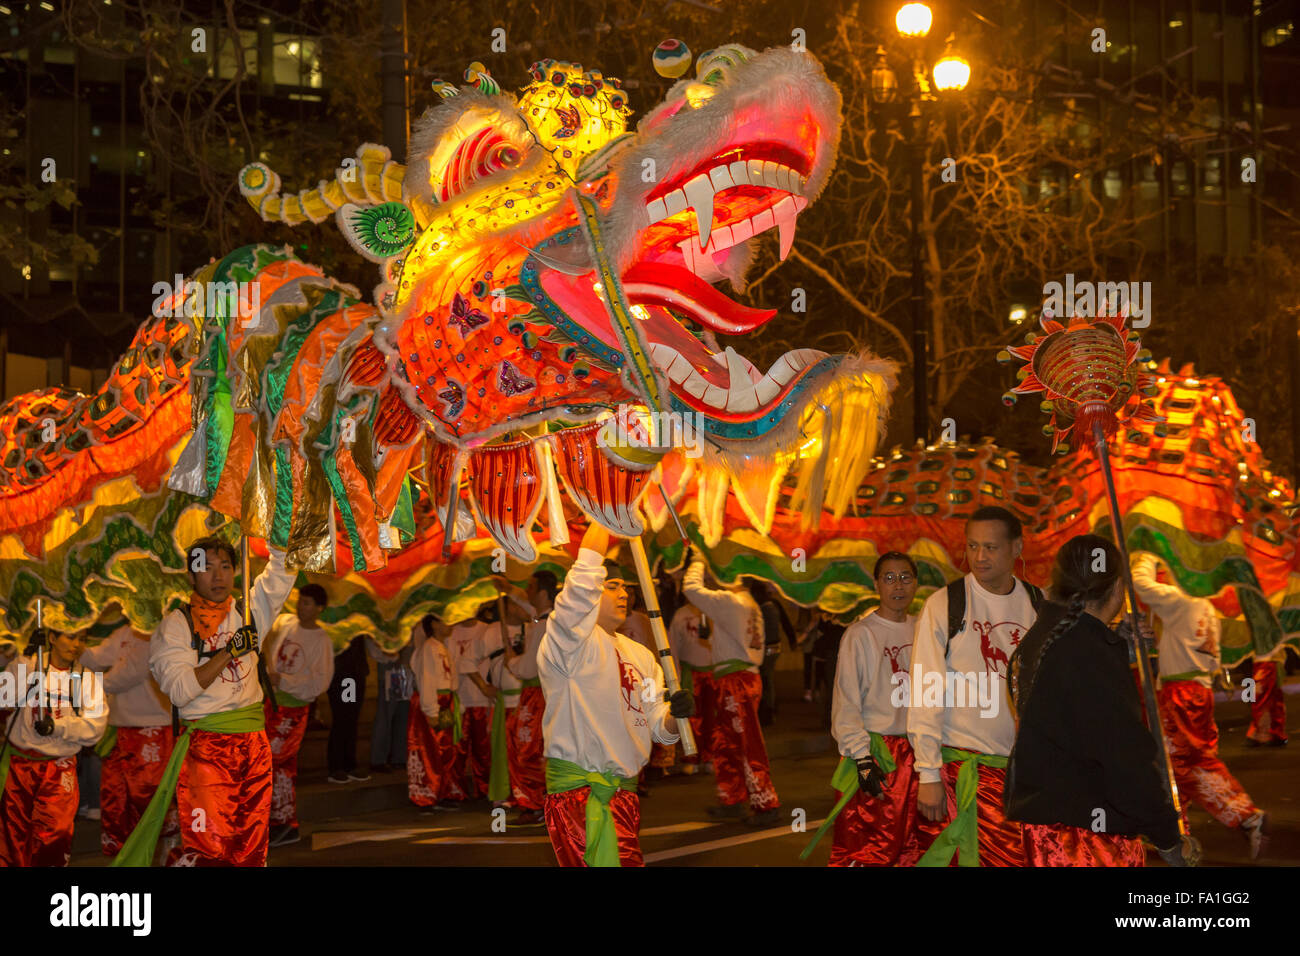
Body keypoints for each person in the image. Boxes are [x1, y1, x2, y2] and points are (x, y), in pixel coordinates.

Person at [1005, 535, 1196, 867]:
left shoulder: (1042, 638)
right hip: (1086, 839)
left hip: (1046, 828)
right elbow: (1124, 760)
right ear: (1118, 586)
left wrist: (1114, 642)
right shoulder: (1085, 652)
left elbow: (1072, 710)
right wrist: (1167, 838)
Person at [115, 537, 296, 867]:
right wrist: (229, 652)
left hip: (254, 745)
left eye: (225, 567)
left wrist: (282, 527)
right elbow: (181, 691)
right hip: (207, 750)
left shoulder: (248, 611)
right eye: (206, 568)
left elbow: (284, 569)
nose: (218, 576)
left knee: (252, 848)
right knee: (211, 849)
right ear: (191, 577)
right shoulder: (176, 626)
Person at [538, 522, 693, 866]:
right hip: (581, 796)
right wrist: (605, 515)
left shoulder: (642, 656)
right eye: (612, 586)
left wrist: (675, 717)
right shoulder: (569, 643)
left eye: (626, 587)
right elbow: (578, 593)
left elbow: (659, 731)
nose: (624, 594)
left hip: (625, 794)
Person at [907, 506, 1043, 867]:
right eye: (972, 546)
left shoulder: (1039, 604)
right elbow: (925, 691)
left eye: (990, 547)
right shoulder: (946, 603)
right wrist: (929, 774)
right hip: (965, 777)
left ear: (1017, 547)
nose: (979, 557)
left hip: (1025, 778)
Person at [1131, 551, 1269, 858]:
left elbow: (1140, 584)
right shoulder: (1204, 602)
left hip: (1182, 692)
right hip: (1197, 690)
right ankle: (1176, 830)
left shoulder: (1179, 597)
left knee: (1187, 763)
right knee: (1178, 762)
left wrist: (1146, 555)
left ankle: (1245, 815)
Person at [803, 552, 924, 866]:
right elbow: (846, 702)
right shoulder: (861, 634)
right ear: (876, 584)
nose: (898, 585)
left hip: (920, 755)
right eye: (889, 578)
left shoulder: (924, 630)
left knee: (913, 847)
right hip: (878, 753)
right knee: (870, 848)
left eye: (905, 577)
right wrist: (862, 758)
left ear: (916, 584)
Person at [683, 555, 781, 826]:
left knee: (746, 742)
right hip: (737, 678)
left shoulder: (730, 601)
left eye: (715, 573)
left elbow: (690, 588)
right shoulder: (747, 602)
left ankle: (766, 803)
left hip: (736, 681)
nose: (711, 579)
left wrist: (700, 560)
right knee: (725, 741)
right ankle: (733, 798)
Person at [0, 628, 107, 866]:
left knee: (55, 837)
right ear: (52, 638)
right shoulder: (28, 666)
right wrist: (23, 660)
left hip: (59, 768)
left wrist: (58, 727)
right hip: (19, 766)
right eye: (70, 637)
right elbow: (4, 699)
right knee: (12, 837)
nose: (76, 644)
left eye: (82, 638)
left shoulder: (87, 678)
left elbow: (95, 729)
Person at [78, 608, 176, 856]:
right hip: (122, 728)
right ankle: (129, 853)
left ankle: (167, 845)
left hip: (152, 728)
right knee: (117, 798)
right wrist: (73, 646)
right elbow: (96, 656)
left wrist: (86, 683)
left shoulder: (154, 632)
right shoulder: (125, 632)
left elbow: (129, 674)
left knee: (149, 794)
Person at [263, 583, 335, 847]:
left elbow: (320, 683)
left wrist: (284, 681)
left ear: (319, 609)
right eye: (300, 600)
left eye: (307, 603)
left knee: (279, 764)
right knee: (266, 763)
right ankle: (270, 819)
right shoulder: (287, 623)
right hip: (271, 704)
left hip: (292, 710)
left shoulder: (321, 640)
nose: (301, 606)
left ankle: (285, 822)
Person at [500, 571, 555, 825]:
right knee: (540, 749)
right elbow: (526, 605)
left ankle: (536, 805)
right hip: (548, 694)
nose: (528, 591)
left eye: (531, 587)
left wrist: (511, 661)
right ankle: (542, 804)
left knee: (528, 751)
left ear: (543, 592)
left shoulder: (544, 625)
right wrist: (508, 588)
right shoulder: (547, 619)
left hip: (536, 695)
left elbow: (529, 668)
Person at [408, 616, 459, 808]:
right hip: (434, 701)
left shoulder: (442, 646)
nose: (450, 624)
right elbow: (426, 678)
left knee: (444, 747)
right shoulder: (429, 647)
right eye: (446, 620)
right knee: (430, 749)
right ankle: (428, 793)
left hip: (445, 701)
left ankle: (442, 790)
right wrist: (431, 710)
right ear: (435, 624)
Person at [445, 608, 495, 802]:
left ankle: (485, 789)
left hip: (482, 700)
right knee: (458, 748)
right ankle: (456, 790)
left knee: (483, 749)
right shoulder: (450, 632)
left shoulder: (487, 630)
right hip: (460, 699)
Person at [668, 600, 714, 774]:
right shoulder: (681, 614)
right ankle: (692, 757)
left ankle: (710, 756)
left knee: (711, 718)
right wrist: (676, 675)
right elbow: (673, 647)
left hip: (711, 672)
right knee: (691, 718)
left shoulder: (713, 609)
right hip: (690, 673)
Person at [749, 580, 796, 725]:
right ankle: (770, 709)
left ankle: (767, 711)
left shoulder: (760, 607)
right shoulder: (774, 604)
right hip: (776, 647)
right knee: (768, 678)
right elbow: (786, 623)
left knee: (765, 680)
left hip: (766, 649)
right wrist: (792, 639)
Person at [367, 632, 415, 774]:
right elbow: (374, 647)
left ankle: (399, 757)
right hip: (391, 669)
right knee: (386, 714)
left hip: (404, 670)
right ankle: (379, 759)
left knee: (402, 713)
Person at [326, 635, 370, 785]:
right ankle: (337, 765)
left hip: (355, 673)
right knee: (343, 717)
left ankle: (349, 764)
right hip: (344, 675)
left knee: (351, 718)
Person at [1246, 646, 1288, 747]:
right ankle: (1271, 732)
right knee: (1269, 698)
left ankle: (1266, 733)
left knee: (1265, 698)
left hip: (1268, 659)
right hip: (1267, 658)